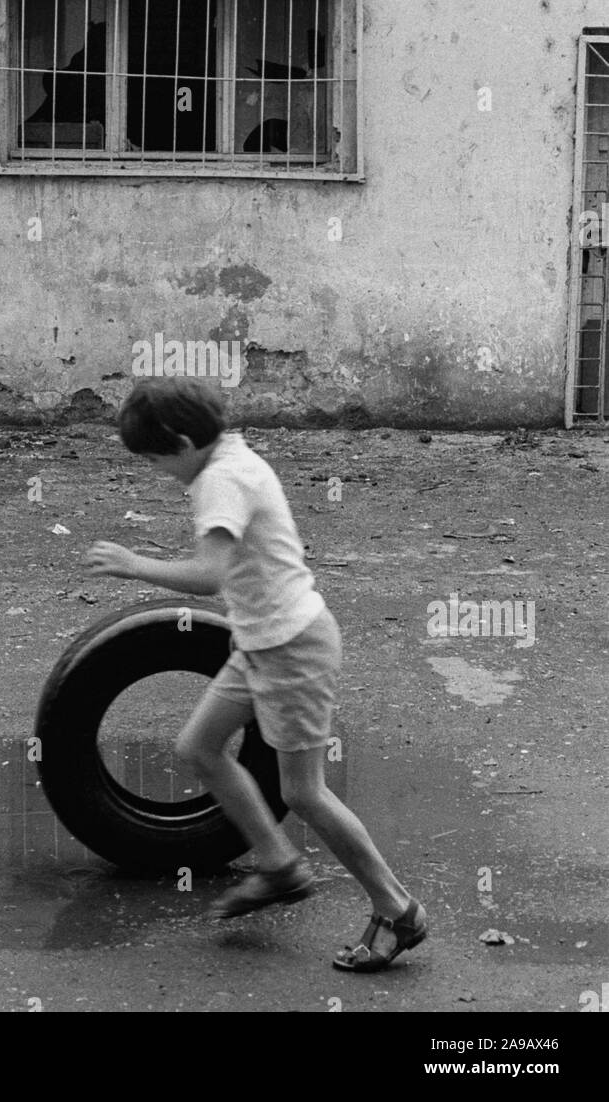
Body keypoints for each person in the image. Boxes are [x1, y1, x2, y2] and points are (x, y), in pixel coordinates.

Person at [86, 377, 427, 971]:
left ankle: (397, 909)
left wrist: (132, 564)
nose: (159, 471)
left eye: (157, 459)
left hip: (292, 647)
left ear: (185, 440)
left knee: (303, 790)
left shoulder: (219, 479)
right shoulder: (231, 453)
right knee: (198, 746)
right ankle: (277, 865)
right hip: (260, 642)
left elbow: (211, 573)